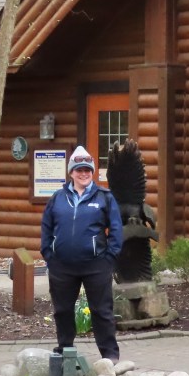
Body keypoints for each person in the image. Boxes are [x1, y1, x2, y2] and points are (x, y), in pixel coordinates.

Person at [40, 146, 122, 361]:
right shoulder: (57, 198)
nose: (84, 174)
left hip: (96, 265)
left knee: (101, 311)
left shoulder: (105, 197)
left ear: (93, 171)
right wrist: (49, 254)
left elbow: (116, 229)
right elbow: (46, 228)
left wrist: (110, 257)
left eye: (87, 170)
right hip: (62, 266)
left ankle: (110, 356)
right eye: (79, 170)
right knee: (63, 311)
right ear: (71, 173)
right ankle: (65, 351)